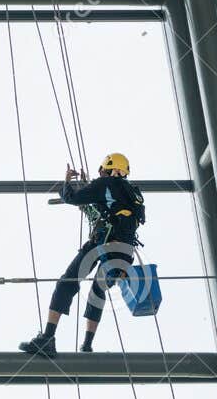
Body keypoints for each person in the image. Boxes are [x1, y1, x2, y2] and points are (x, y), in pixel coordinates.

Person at [20, 152, 145, 356]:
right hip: (123, 253)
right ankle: (87, 346)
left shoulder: (105, 183)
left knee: (67, 282)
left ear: (108, 169)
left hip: (101, 243)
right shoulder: (134, 193)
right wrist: (91, 189)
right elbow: (109, 208)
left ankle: (48, 338)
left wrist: (67, 182)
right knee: (97, 292)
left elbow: (74, 198)